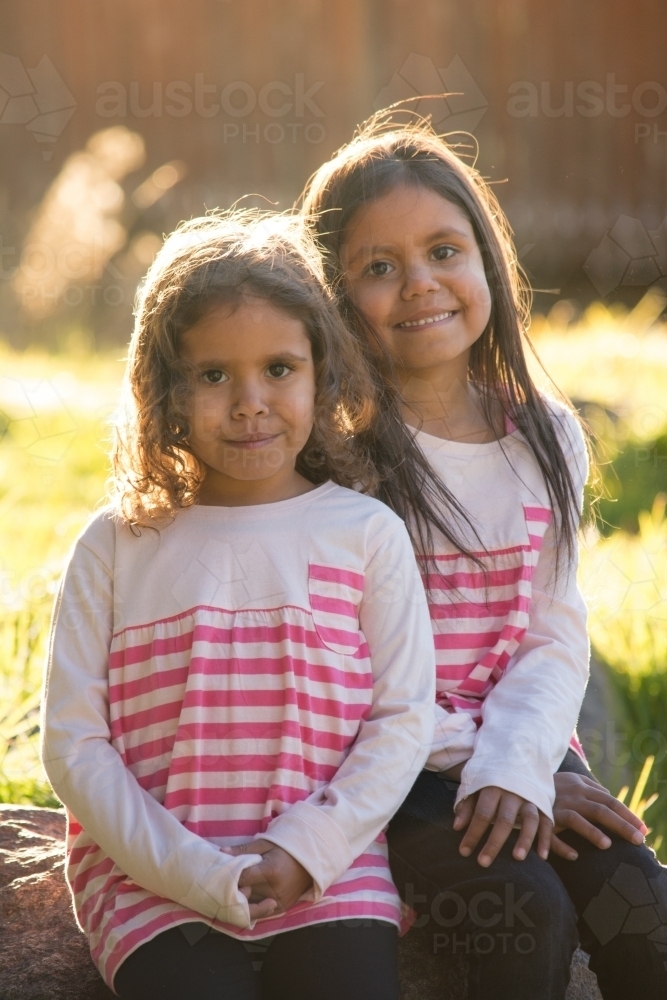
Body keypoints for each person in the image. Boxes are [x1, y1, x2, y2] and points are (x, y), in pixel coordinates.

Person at [301, 116, 667, 999]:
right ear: (332, 297)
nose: (419, 283)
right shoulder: (332, 460)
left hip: (520, 740)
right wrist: (492, 766)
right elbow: (338, 674)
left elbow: (552, 632)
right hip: (392, 754)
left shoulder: (540, 434)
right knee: (522, 913)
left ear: (487, 262)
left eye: (443, 250)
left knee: (644, 910)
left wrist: (527, 763)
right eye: (378, 267)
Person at [40, 211, 441, 1000]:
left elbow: (403, 718)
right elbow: (74, 744)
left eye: (280, 369)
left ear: (321, 373)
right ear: (165, 388)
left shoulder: (364, 533)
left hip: (328, 866)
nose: (251, 402)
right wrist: (193, 872)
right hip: (149, 879)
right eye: (214, 374)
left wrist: (307, 850)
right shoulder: (117, 544)